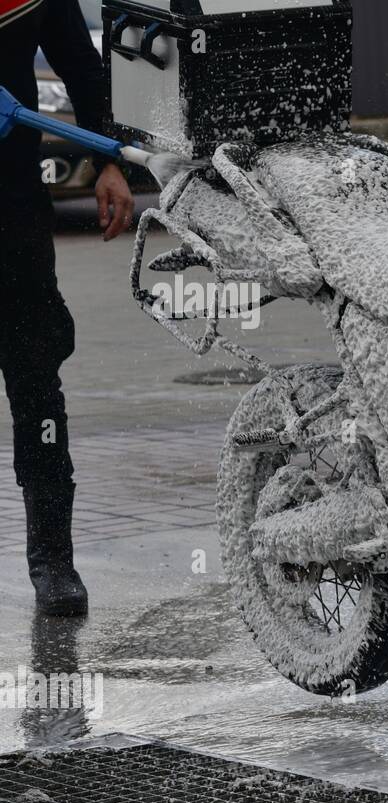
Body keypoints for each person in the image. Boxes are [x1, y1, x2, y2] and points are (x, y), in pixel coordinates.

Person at [1, 0, 134, 616]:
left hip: (13, 209)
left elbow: (81, 66)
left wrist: (108, 158)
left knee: (35, 376)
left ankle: (53, 561)